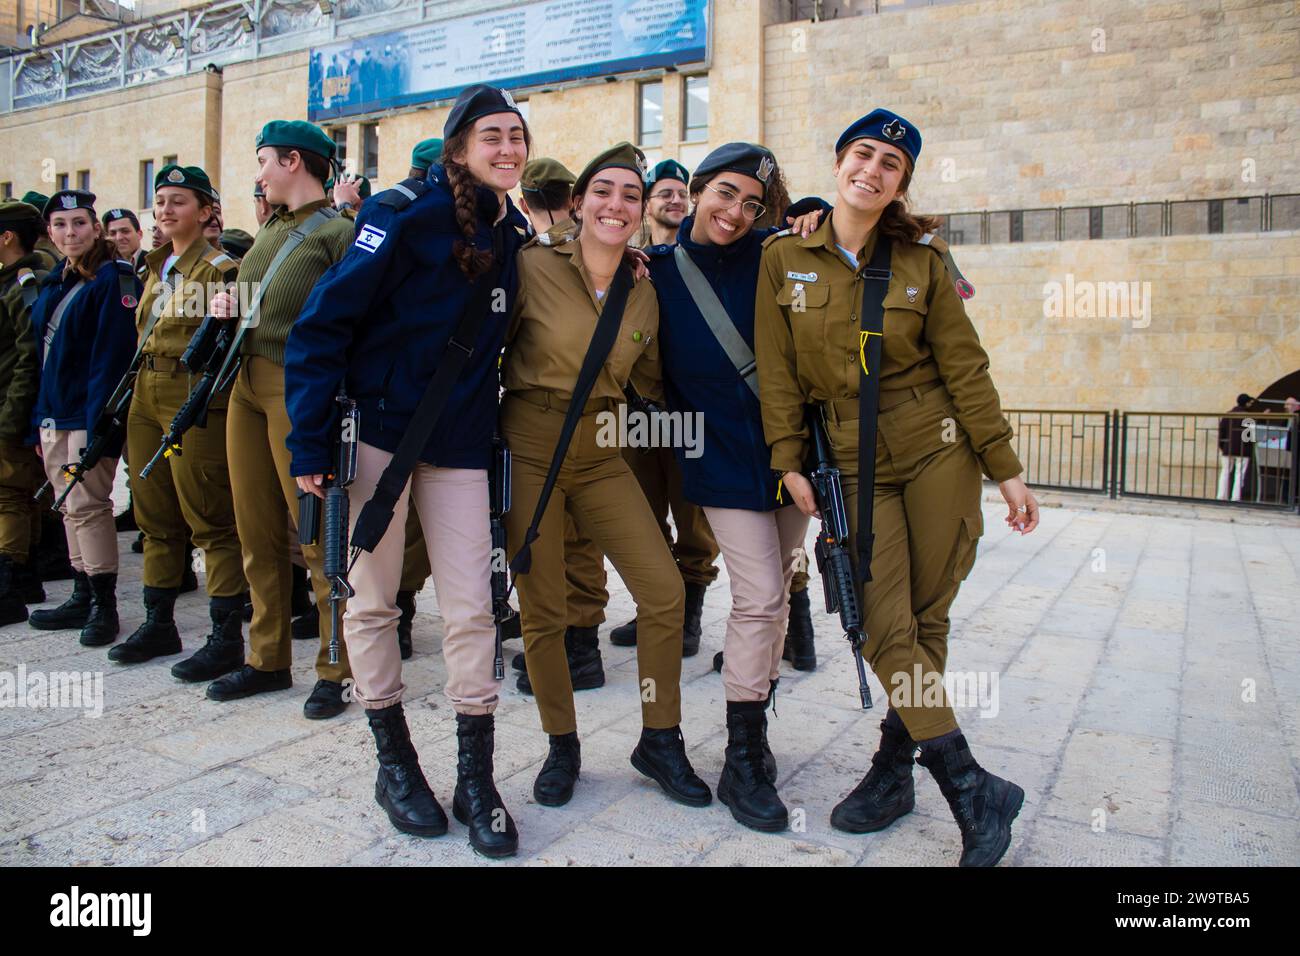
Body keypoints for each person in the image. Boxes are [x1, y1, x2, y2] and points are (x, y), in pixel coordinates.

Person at [755, 110, 1037, 867]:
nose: (873, 170)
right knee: (881, 623)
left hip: (937, 447)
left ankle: (892, 770)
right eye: (863, 154)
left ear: (902, 184)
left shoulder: (922, 260)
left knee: (925, 614)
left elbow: (965, 367)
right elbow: (777, 374)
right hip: (847, 459)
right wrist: (788, 460)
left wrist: (1003, 468)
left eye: (891, 165)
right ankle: (971, 784)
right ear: (840, 160)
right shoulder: (784, 257)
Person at [284, 85, 530, 856]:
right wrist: (309, 444)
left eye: (517, 137)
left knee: (471, 610)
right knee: (372, 604)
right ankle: (394, 763)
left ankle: (476, 775)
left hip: (458, 442)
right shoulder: (399, 212)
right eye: (491, 136)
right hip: (380, 435)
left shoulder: (514, 232)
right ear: (457, 147)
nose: (507, 149)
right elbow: (323, 322)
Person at [503, 142, 710, 811]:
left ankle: (659, 735)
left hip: (602, 448)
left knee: (662, 592)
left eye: (630, 194)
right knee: (542, 611)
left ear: (642, 209)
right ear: (579, 200)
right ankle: (562, 743)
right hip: (531, 443)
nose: (616, 204)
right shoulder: (530, 266)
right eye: (603, 190)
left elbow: (651, 385)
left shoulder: (645, 289)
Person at [643, 142, 825, 831]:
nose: (736, 212)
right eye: (725, 194)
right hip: (717, 455)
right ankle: (743, 758)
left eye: (752, 202)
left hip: (791, 453)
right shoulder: (654, 270)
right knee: (759, 595)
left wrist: (818, 213)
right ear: (695, 190)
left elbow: (830, 255)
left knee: (774, 595)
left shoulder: (776, 252)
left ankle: (756, 723)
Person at [204, 120, 355, 720]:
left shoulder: (339, 232)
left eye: (265, 160)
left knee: (315, 533)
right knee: (256, 527)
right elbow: (263, 298)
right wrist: (231, 303)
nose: (259, 173)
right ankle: (267, 658)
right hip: (245, 382)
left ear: (295, 161)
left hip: (297, 386)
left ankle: (336, 664)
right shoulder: (272, 229)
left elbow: (349, 318)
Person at [112, 164, 248, 679]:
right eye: (161, 200)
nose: (166, 210)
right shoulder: (154, 266)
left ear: (206, 210)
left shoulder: (221, 269)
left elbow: (232, 341)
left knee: (209, 516)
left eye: (179, 201)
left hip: (193, 393)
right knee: (154, 513)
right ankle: (158, 621)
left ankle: (225, 635)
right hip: (145, 390)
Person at [607, 156, 720, 658]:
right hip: (636, 412)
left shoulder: (710, 254)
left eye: (682, 193)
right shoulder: (630, 261)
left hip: (691, 412)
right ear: (648, 206)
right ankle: (656, 607)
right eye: (664, 193)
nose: (675, 200)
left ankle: (688, 615)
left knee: (693, 519)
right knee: (643, 515)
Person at [510, 156, 609, 696]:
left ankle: (562, 646)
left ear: (525, 202)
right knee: (583, 535)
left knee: (544, 534)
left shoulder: (531, 258)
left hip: (544, 416)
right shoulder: (607, 248)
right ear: (574, 196)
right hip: (604, 419)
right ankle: (583, 645)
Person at [26, 189, 138, 645]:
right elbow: (41, 357)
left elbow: (108, 360)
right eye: (60, 225)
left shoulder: (113, 278)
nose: (69, 233)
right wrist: (39, 419)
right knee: (68, 508)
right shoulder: (59, 279)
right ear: (49, 232)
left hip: (85, 416)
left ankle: (103, 605)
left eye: (78, 223)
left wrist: (97, 429)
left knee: (88, 508)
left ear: (94, 228)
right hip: (54, 414)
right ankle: (80, 593)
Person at [0, 200, 51, 624]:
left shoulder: (24, 283)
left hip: (11, 406)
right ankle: (25, 575)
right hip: (8, 402)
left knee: (9, 495)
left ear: (7, 238)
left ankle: (10, 583)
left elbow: (29, 355)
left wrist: (13, 416)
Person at [642, 159, 690, 247]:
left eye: (683, 195)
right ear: (646, 206)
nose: (677, 200)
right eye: (666, 194)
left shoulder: (706, 256)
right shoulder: (636, 259)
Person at [1217, 393, 1253, 501]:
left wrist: (1223, 446)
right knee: (1239, 474)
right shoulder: (1248, 416)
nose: (1251, 404)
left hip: (1228, 447)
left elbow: (1222, 432)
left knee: (1225, 471)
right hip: (1243, 450)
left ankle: (1221, 496)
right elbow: (1249, 436)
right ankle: (1236, 497)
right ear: (1246, 403)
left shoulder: (1228, 414)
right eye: (1250, 402)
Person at [102, 209, 147, 279]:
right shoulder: (102, 267)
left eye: (125, 231)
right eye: (112, 233)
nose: (119, 238)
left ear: (139, 234)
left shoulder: (153, 263)